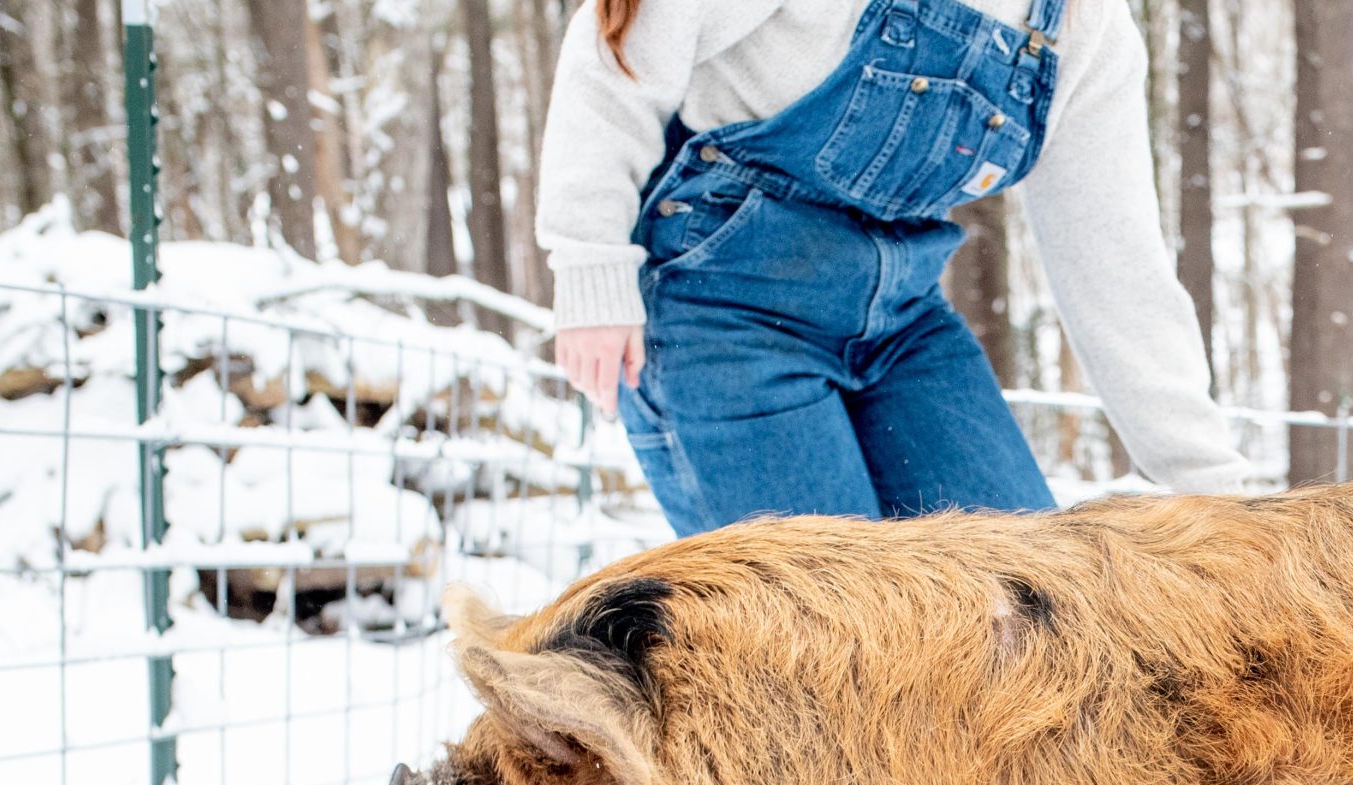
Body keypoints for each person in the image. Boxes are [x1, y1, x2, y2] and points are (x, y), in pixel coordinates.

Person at [536, 0, 1252, 534]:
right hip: (722, 309)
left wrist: (1218, 498)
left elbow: (1117, 267)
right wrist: (590, 263)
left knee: (1025, 615)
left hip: (899, 318)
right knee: (828, 643)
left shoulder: (1081, 30)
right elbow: (616, 63)